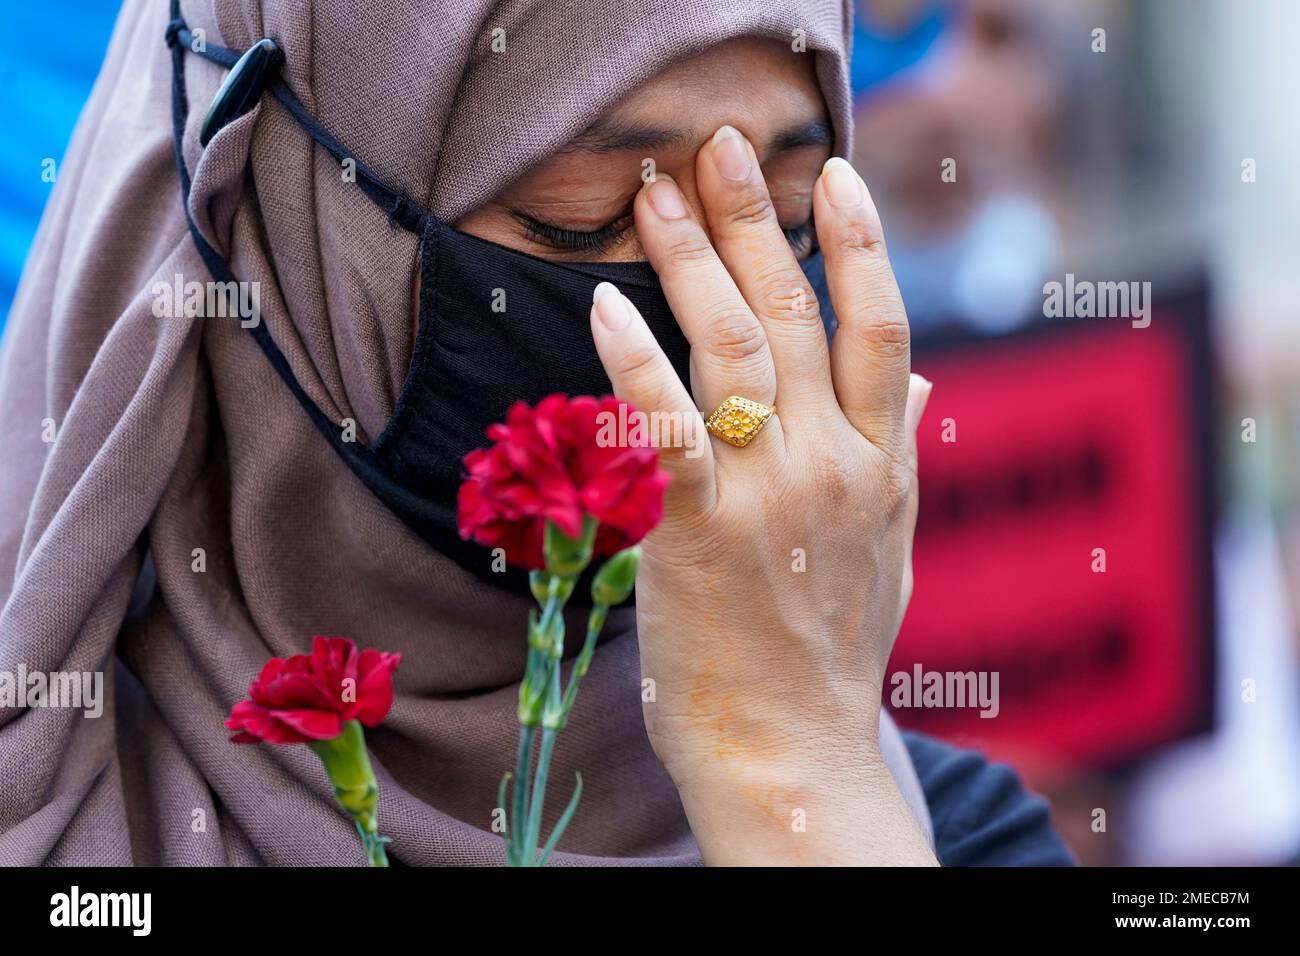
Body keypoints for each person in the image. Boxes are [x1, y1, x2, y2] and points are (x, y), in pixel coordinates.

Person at [0, 0, 1072, 866]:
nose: (720, 330)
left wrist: (794, 772)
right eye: (582, 221)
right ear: (285, 210)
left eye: (785, 219)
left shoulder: (942, 828)